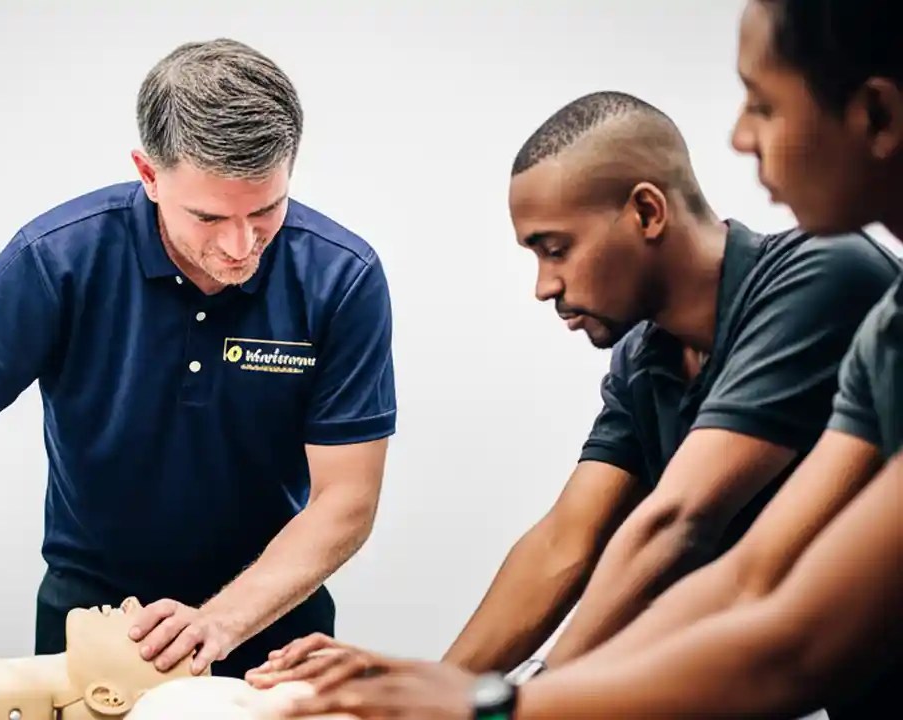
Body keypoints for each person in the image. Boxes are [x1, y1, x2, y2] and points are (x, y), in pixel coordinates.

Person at [266, 0, 903, 717]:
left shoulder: (822, 275)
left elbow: (676, 525)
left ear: (647, 213)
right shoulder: (647, 357)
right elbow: (566, 544)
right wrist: (437, 692)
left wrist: (500, 703)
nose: (545, 286)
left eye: (554, 248)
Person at [0, 37, 396, 680]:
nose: (241, 245)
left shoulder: (340, 278)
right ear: (149, 175)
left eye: (266, 210)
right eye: (209, 217)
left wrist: (219, 622)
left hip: (272, 625)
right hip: (94, 618)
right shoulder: (59, 259)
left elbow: (345, 498)